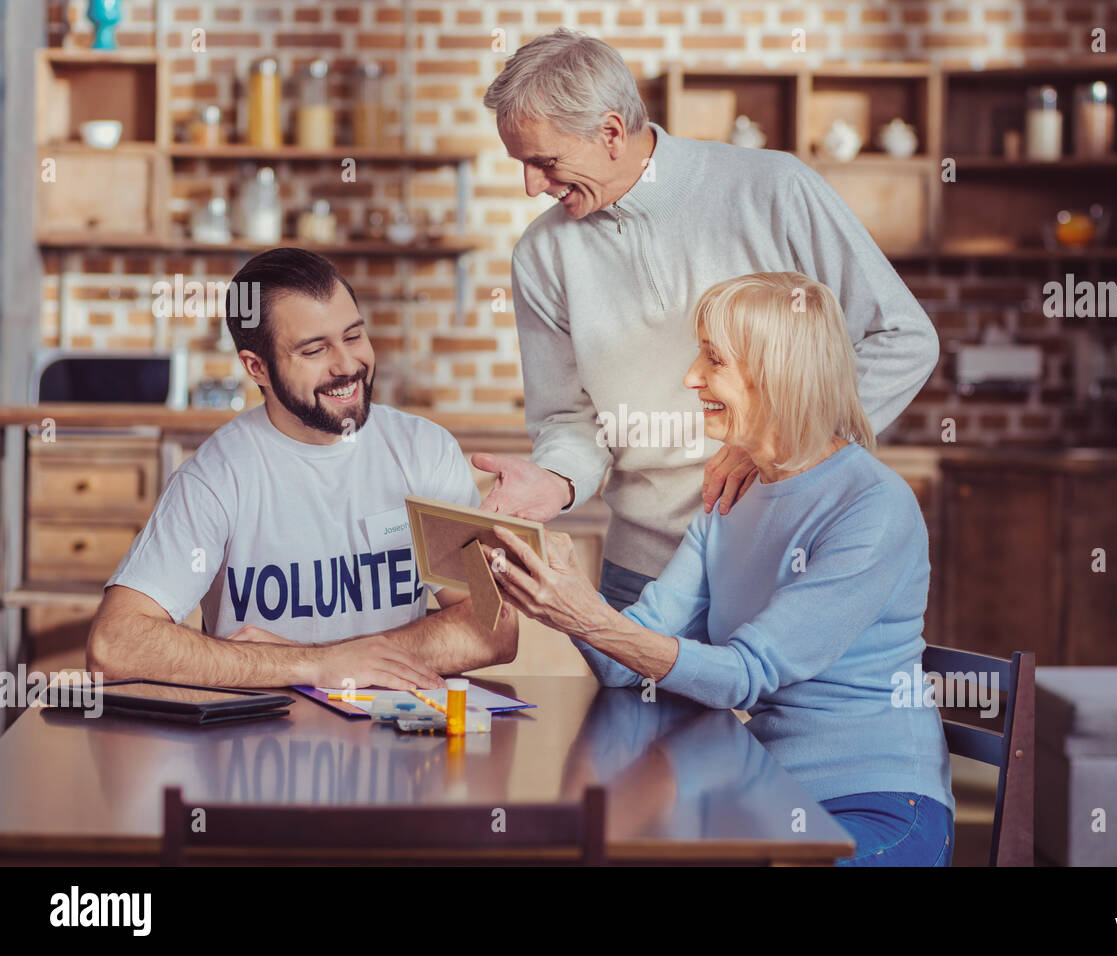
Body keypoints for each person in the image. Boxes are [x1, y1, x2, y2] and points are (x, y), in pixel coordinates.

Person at [487, 272, 955, 866]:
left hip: (874, 804)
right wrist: (553, 581)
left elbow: (745, 674)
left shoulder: (871, 507)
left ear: (779, 372)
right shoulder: (733, 494)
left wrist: (588, 616)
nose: (690, 377)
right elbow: (623, 669)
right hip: (765, 791)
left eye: (713, 359)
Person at [474, 28, 939, 614]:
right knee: (627, 709)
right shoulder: (542, 255)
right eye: (521, 165)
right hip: (641, 575)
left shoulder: (774, 189)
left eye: (544, 162)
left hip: (784, 558)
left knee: (779, 705)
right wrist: (558, 480)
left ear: (611, 132)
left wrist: (786, 445)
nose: (529, 187)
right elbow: (569, 417)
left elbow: (903, 338)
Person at [87, 248, 517, 689]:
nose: (348, 366)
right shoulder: (215, 478)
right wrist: (313, 666)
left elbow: (494, 622)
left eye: (353, 337)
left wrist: (340, 660)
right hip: (251, 743)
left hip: (397, 741)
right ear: (259, 368)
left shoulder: (425, 454)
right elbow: (115, 645)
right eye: (314, 350)